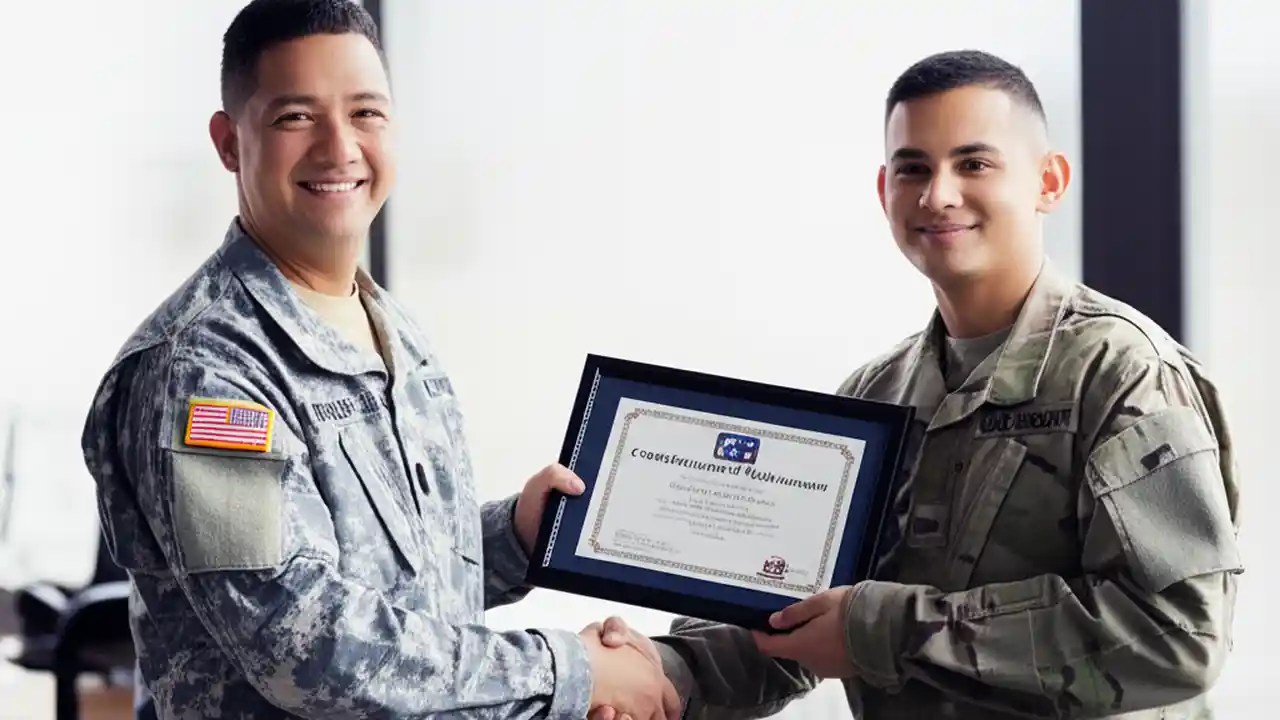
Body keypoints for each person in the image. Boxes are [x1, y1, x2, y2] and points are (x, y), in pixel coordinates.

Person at [603, 49, 1244, 719]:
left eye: (974, 164)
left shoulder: (1120, 373)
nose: (938, 194)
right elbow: (794, 615)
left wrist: (881, 628)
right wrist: (657, 673)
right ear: (885, 192)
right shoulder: (876, 395)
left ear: (1048, 182)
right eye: (914, 168)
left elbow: (1178, 636)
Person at [80, 1, 677, 718]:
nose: (339, 148)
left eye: (366, 113)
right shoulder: (203, 373)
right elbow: (302, 643)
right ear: (229, 141)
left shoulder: (396, 334)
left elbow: (396, 585)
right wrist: (569, 672)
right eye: (295, 117)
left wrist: (515, 534)